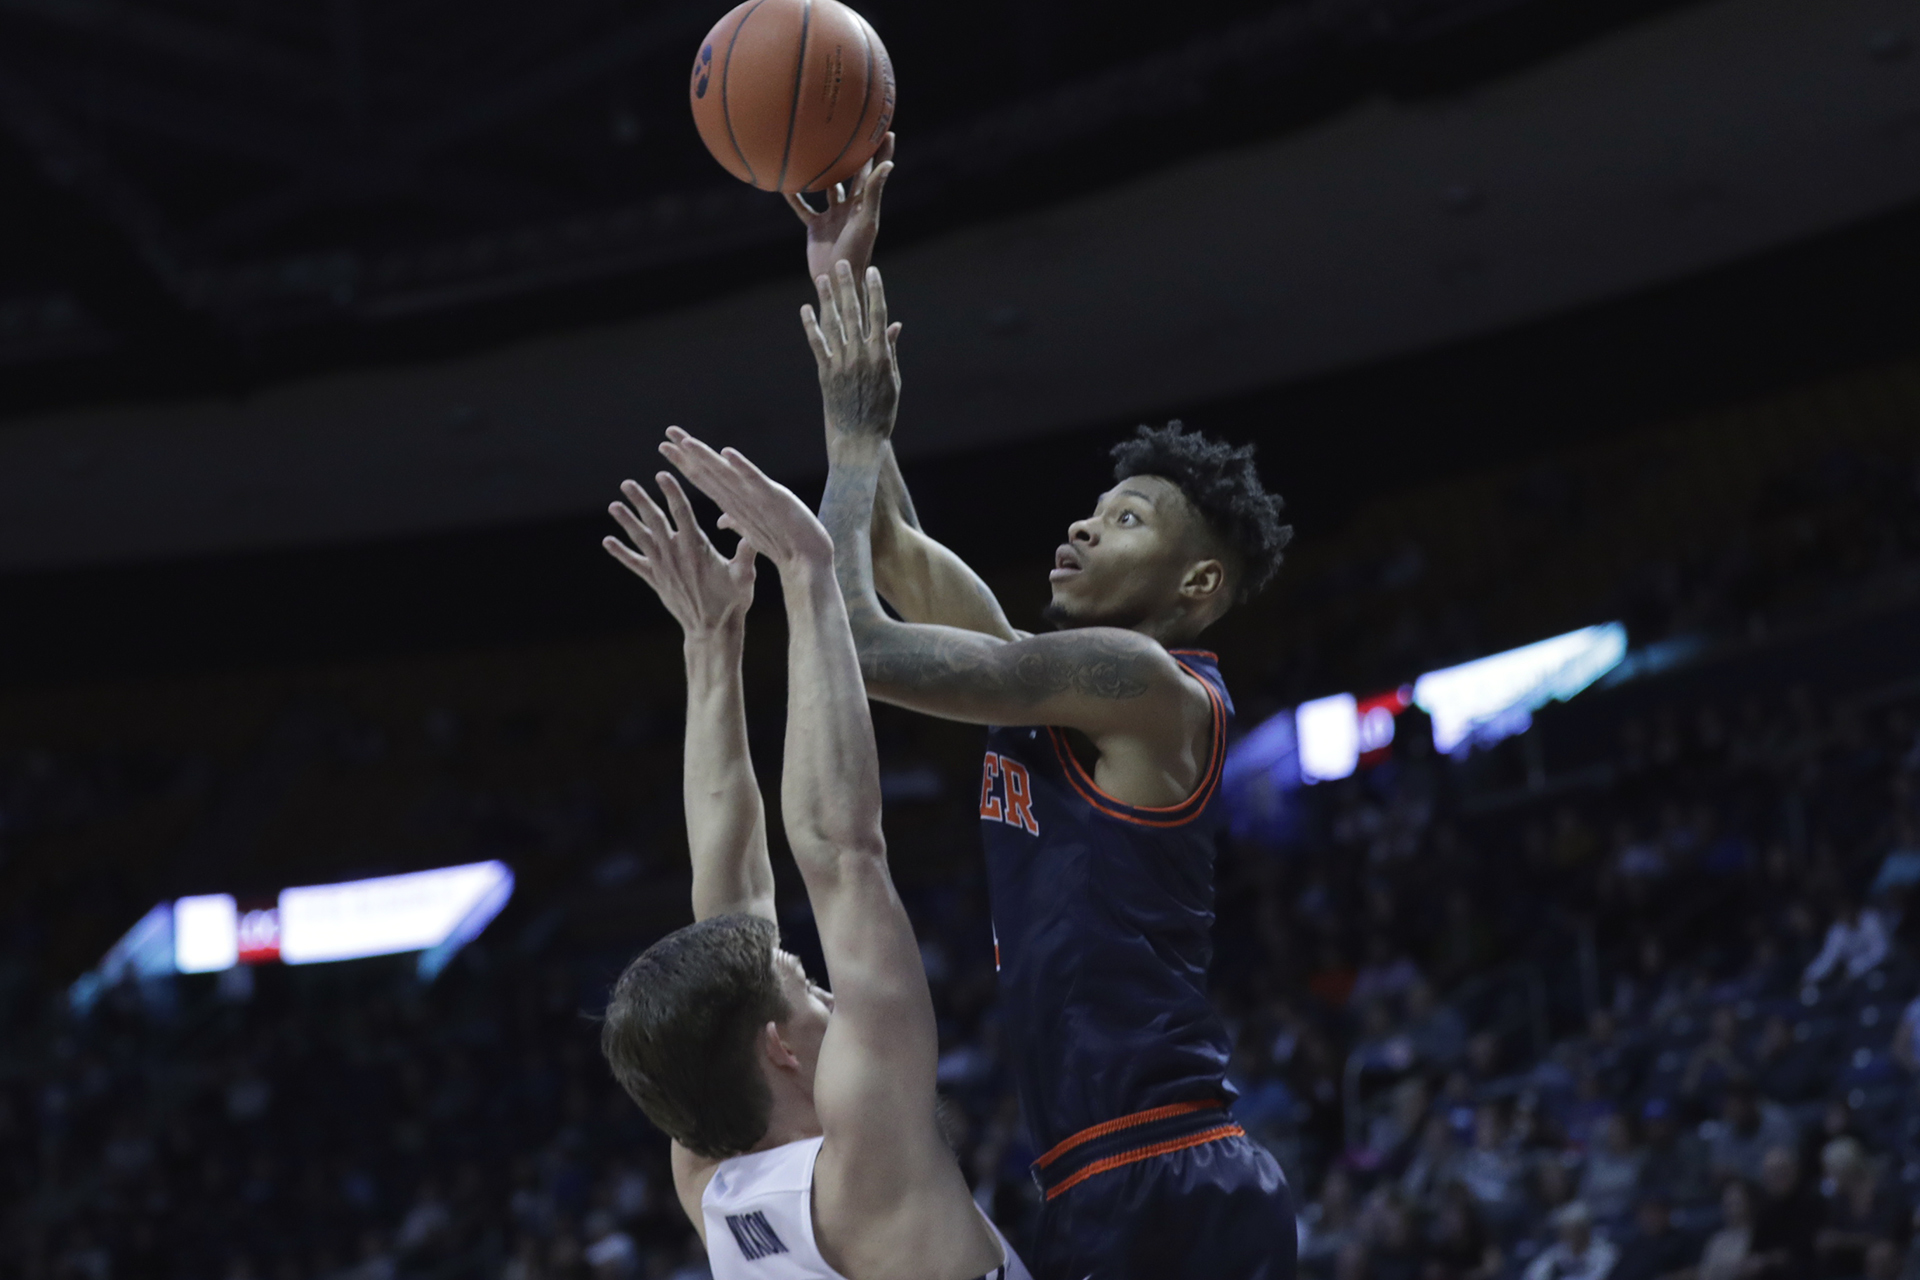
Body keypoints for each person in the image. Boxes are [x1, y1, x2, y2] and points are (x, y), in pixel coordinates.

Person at [791, 146, 1296, 1278]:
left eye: (1124, 521)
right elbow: (891, 544)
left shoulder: (1146, 684)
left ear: (1195, 586)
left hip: (1166, 1170)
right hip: (1096, 1175)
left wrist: (862, 435)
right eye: (1092, 509)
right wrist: (840, 290)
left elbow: (857, 645)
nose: (1080, 528)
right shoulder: (1050, 674)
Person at [596, 453, 1029, 1280]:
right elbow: (843, 854)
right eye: (809, 989)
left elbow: (730, 899)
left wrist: (711, 638)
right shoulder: (868, 1177)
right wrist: (808, 569)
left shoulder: (712, 1182)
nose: (832, 994)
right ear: (780, 1049)